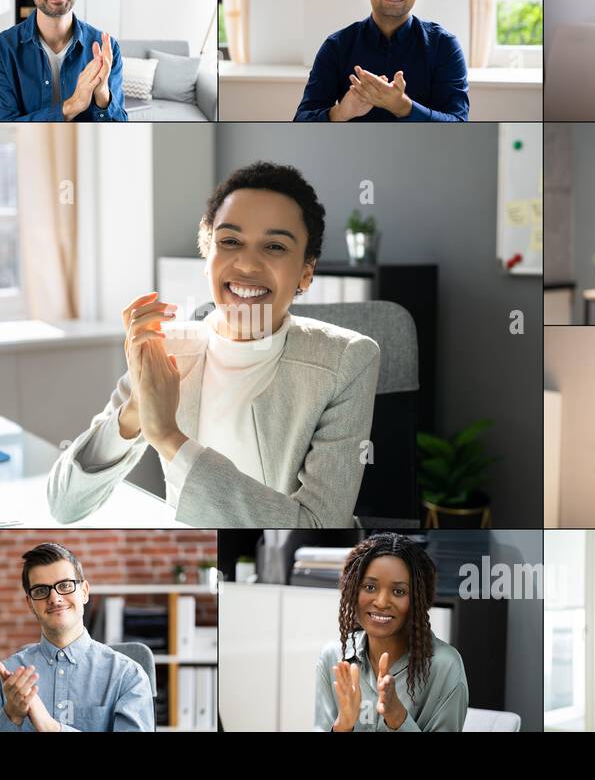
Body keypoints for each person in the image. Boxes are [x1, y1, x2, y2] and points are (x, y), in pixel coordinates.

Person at [47, 162, 381, 527]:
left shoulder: (347, 360)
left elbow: (320, 527)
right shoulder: (167, 349)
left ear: (305, 271)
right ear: (208, 256)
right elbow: (65, 505)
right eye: (230, 241)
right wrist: (137, 406)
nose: (248, 264)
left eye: (274, 246)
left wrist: (168, 438)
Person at [0, 543, 154, 731]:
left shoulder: (128, 675)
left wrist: (52, 728)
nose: (54, 598)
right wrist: (11, 716)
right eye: (41, 591)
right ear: (30, 603)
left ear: (84, 592)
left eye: (65, 585)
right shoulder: (5, 677)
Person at [294, 0, 468, 122]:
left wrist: (404, 107)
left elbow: (458, 122)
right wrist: (341, 112)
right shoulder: (336, 46)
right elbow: (301, 121)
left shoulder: (444, 46)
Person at [313, 533, 467, 732]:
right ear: (352, 590)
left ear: (418, 600)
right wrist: (343, 725)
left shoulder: (445, 666)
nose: (382, 602)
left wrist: (397, 717)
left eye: (399, 592)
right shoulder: (333, 657)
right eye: (370, 587)